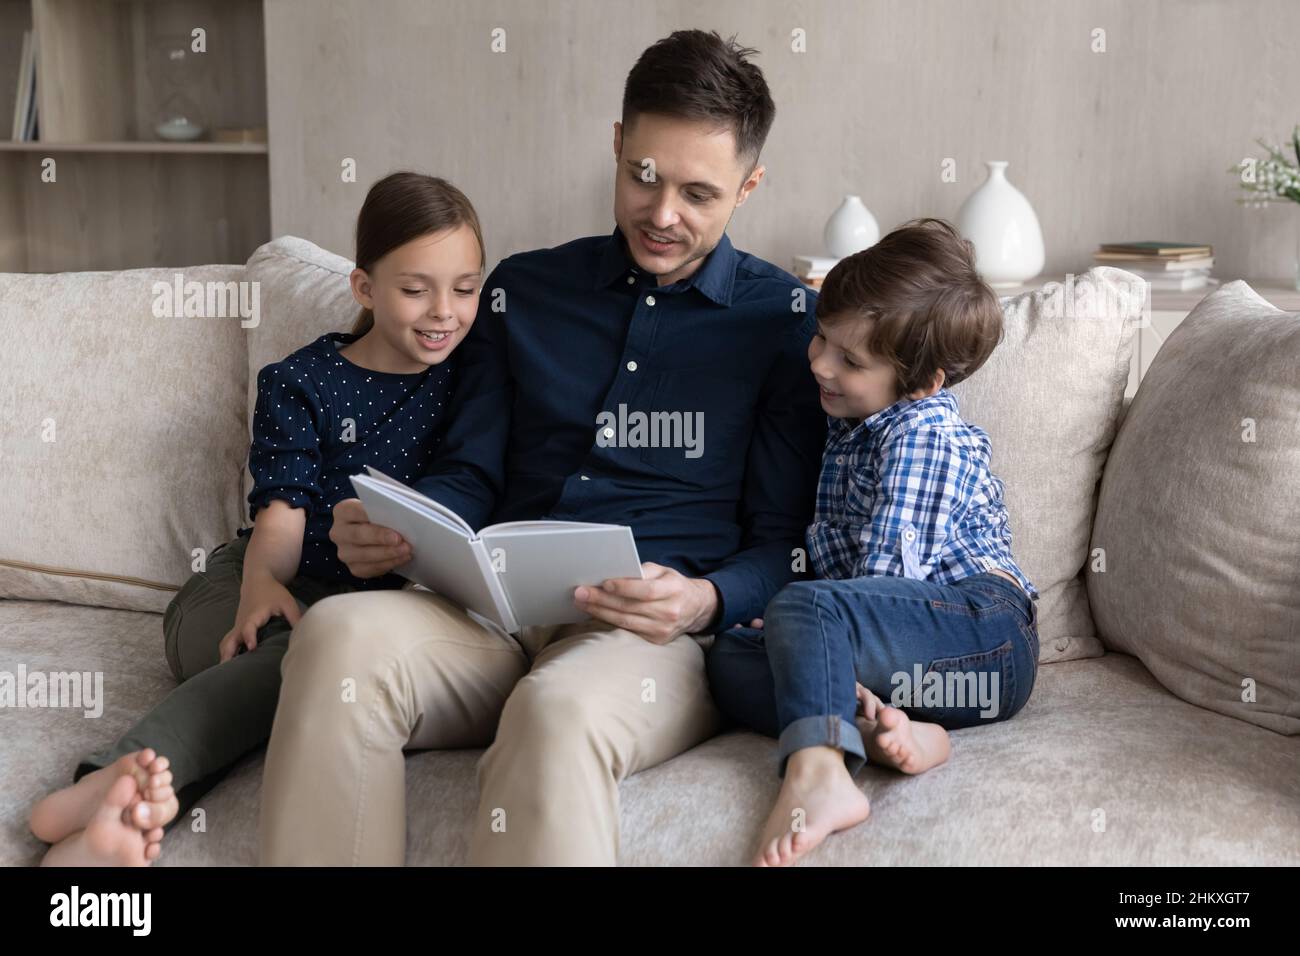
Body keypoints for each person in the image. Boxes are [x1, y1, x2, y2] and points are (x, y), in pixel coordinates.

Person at [257, 29, 827, 866]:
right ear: (617, 144)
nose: (662, 214)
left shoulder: (783, 325)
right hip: (490, 619)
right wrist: (407, 528)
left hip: (648, 643)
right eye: (643, 175)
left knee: (555, 710)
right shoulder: (523, 290)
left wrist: (704, 599)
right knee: (337, 635)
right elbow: (471, 470)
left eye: (699, 193)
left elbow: (789, 542)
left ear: (749, 186)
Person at [27, 172, 484, 866]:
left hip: (353, 628)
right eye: (415, 288)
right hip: (238, 589)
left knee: (308, 661)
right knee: (291, 650)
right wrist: (263, 586)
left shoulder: (468, 383)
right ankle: (109, 781)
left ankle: (120, 810)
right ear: (364, 288)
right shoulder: (304, 381)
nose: (443, 311)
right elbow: (281, 511)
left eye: (466, 287)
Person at [707, 219, 1041, 866]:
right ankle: (892, 729)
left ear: (924, 383)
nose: (821, 364)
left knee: (806, 609)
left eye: (850, 361)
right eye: (822, 338)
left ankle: (820, 775)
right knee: (729, 658)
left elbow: (884, 586)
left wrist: (804, 625)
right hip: (916, 661)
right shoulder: (853, 419)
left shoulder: (922, 435)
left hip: (986, 636)